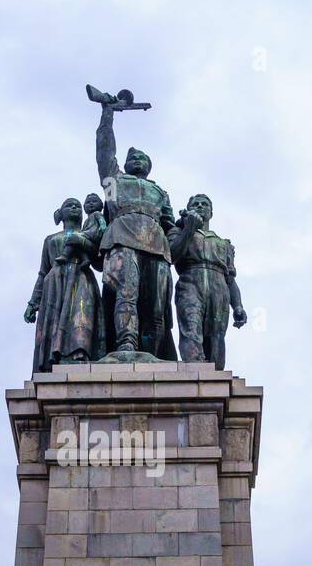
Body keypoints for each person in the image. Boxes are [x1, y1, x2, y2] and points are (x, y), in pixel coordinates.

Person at [93, 96, 177, 358]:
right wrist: (108, 114)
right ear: (126, 165)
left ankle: (152, 352)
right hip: (123, 237)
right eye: (134, 158)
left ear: (149, 168)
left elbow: (170, 226)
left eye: (144, 158)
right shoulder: (114, 182)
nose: (138, 160)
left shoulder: (160, 192)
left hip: (157, 244)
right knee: (126, 294)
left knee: (155, 305)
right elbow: (104, 153)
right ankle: (126, 344)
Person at [24, 197, 105, 372]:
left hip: (82, 277)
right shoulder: (50, 240)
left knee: (81, 314)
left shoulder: (88, 233)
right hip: (54, 282)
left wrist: (81, 241)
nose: (75, 207)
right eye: (70, 205)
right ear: (60, 214)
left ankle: (79, 354)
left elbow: (98, 258)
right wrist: (32, 303)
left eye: (77, 205)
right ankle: (53, 358)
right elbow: (42, 272)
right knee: (55, 320)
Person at [169, 193, 247, 369]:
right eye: (195, 204)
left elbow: (231, 279)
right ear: (189, 209)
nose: (199, 206)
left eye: (204, 204)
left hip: (219, 286)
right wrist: (189, 229)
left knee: (217, 335)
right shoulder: (178, 231)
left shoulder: (224, 244)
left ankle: (215, 377)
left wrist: (239, 306)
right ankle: (194, 371)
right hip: (190, 281)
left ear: (211, 213)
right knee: (191, 328)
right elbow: (172, 255)